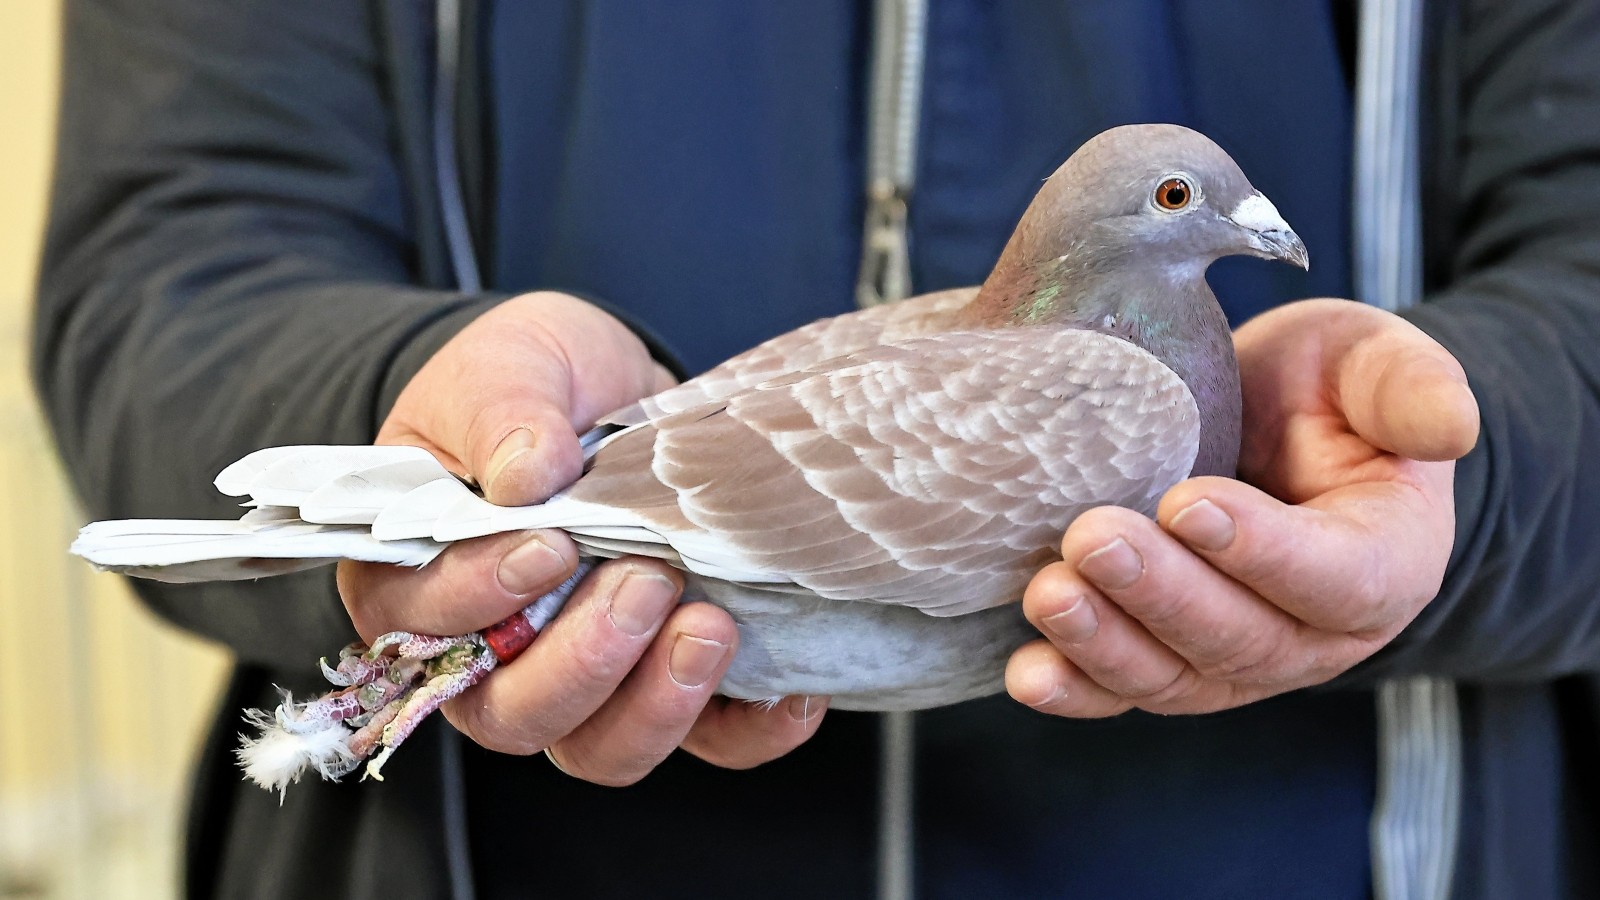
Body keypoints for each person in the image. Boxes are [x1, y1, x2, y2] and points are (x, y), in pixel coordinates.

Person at [31, 1, 1600, 898]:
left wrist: (1485, 471)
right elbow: (173, 263)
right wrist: (429, 415)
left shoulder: (1086, 372)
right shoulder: (1099, 395)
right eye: (1193, 207)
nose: (1252, 228)